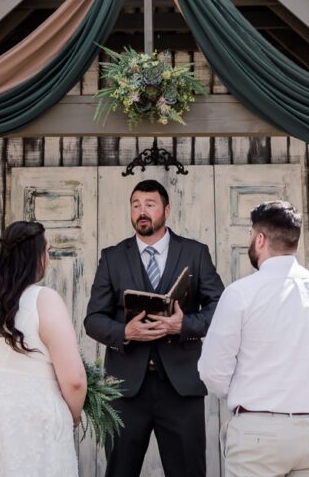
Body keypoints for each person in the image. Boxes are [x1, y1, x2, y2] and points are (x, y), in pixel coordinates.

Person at [198, 200, 309, 477]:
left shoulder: (240, 294)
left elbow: (212, 370)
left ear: (260, 239)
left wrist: (245, 395)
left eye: (249, 235)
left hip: (258, 435)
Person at [85, 179, 225, 477]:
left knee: (189, 471)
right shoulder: (112, 257)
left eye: (149, 204)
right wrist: (125, 333)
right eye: (136, 205)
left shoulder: (195, 253)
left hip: (181, 387)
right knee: (120, 470)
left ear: (167, 210)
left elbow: (221, 309)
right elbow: (93, 319)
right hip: (125, 388)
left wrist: (184, 325)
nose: (142, 211)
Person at [0, 220, 86, 477]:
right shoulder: (44, 300)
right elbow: (75, 381)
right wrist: (73, 417)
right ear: (36, 257)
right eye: (47, 251)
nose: (48, 258)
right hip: (29, 417)